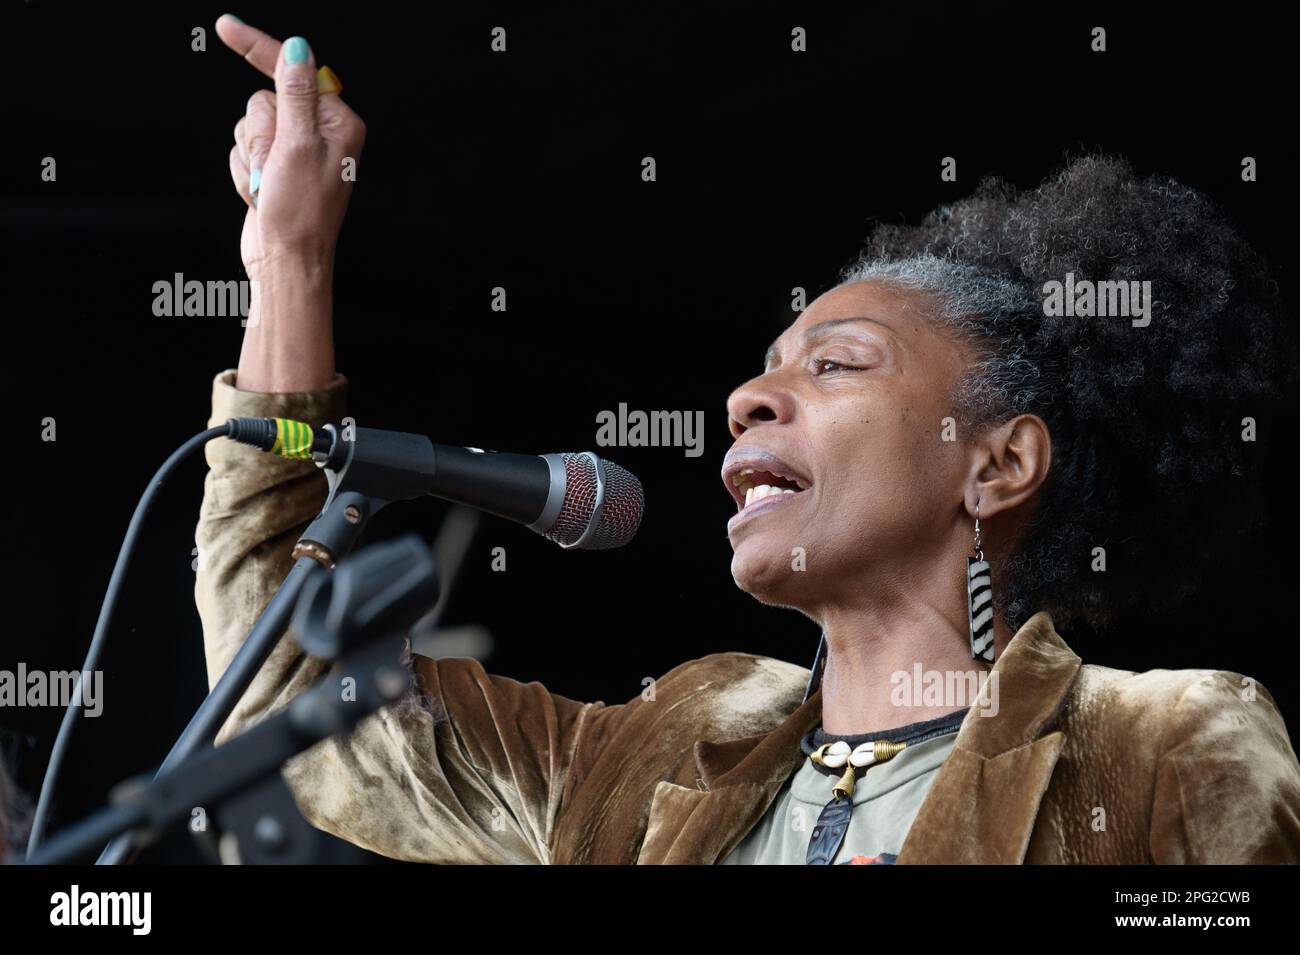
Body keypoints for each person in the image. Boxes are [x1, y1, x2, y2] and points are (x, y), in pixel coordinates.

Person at [197, 16, 1300, 864]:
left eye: (835, 363)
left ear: (998, 463)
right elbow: (290, 695)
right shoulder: (659, 746)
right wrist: (290, 261)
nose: (745, 398)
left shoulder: (1166, 747)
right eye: (765, 367)